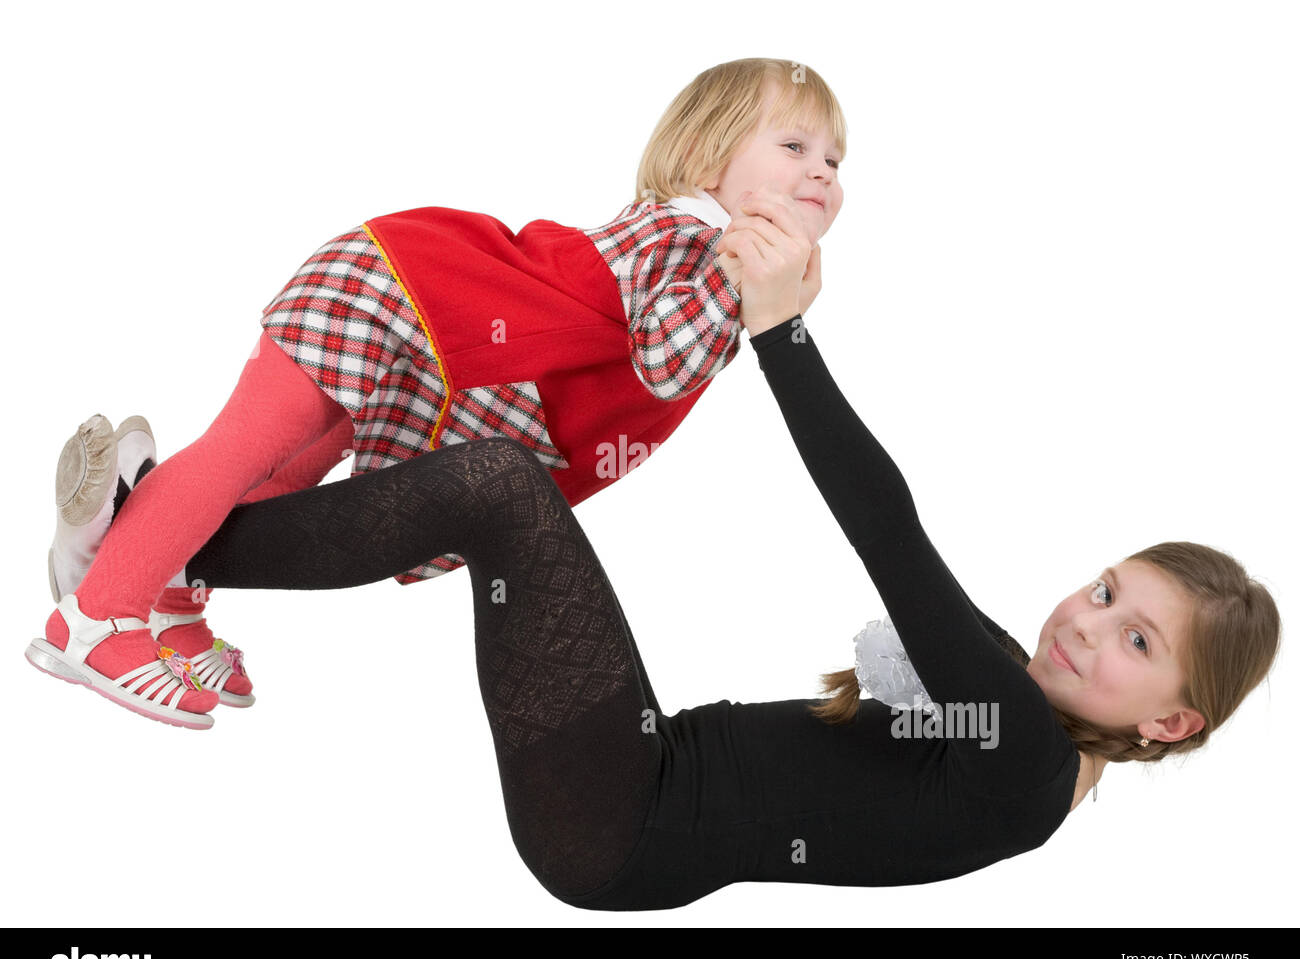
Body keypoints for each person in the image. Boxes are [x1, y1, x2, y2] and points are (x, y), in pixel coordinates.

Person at [28, 191, 1280, 908]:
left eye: (1134, 640)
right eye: (1110, 588)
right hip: (636, 785)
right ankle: (162, 538)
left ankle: (145, 554)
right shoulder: (1014, 736)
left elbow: (884, 528)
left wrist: (779, 334)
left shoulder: (1019, 754)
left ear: (1173, 721)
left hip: (623, 817)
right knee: (491, 492)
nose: (1086, 619)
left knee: (503, 488)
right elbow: (885, 743)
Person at [31, 58, 848, 726]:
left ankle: (167, 586)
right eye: (794, 146)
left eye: (834, 162)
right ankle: (98, 613)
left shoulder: (690, 242)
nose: (821, 172)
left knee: (285, 471)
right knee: (242, 447)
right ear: (708, 157)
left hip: (424, 333)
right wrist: (758, 288)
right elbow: (665, 363)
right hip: (400, 295)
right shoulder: (698, 242)